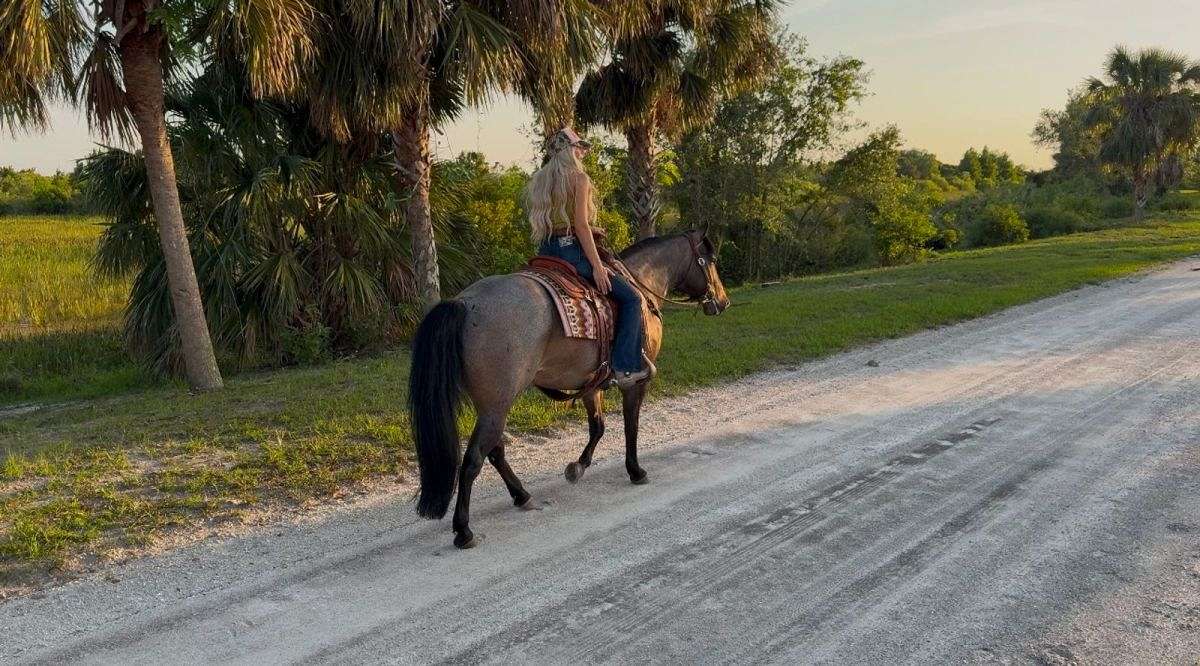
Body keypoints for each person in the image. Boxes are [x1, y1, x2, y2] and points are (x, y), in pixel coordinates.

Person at [526, 127, 653, 389]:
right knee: (631, 298)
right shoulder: (578, 179)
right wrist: (597, 267)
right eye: (579, 148)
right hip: (571, 252)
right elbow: (581, 226)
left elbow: (554, 223)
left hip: (546, 251)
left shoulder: (540, 179)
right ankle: (624, 367)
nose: (582, 153)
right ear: (570, 151)